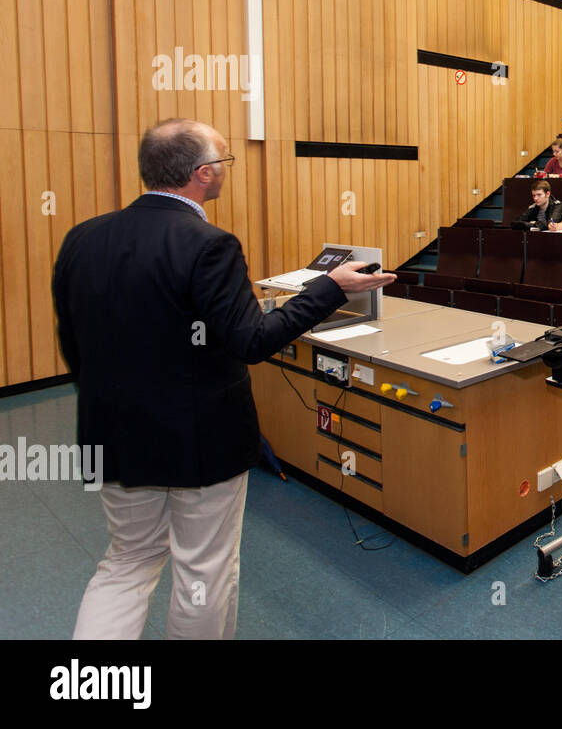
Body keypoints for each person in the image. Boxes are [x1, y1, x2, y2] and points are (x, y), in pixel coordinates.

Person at [53, 119, 393, 640]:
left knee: (126, 562)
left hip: (113, 432)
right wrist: (328, 289)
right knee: (202, 570)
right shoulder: (208, 244)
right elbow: (251, 341)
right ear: (204, 174)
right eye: (226, 163)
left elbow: (74, 343)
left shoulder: (82, 237)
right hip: (200, 441)